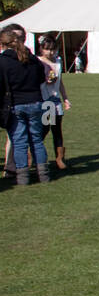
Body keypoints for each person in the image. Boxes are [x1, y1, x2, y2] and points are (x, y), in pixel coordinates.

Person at [1, 27, 50, 184]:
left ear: (3, 44)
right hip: (35, 102)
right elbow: (42, 78)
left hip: (16, 104)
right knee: (36, 139)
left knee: (20, 141)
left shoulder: (4, 61)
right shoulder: (32, 59)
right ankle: (43, 174)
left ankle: (22, 177)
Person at [37, 36, 69, 170]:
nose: (50, 52)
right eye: (47, 49)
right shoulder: (38, 62)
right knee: (44, 129)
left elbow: (60, 82)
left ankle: (59, 158)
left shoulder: (58, 62)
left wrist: (65, 98)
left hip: (56, 101)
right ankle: (34, 155)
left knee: (57, 130)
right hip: (44, 101)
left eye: (52, 49)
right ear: (41, 49)